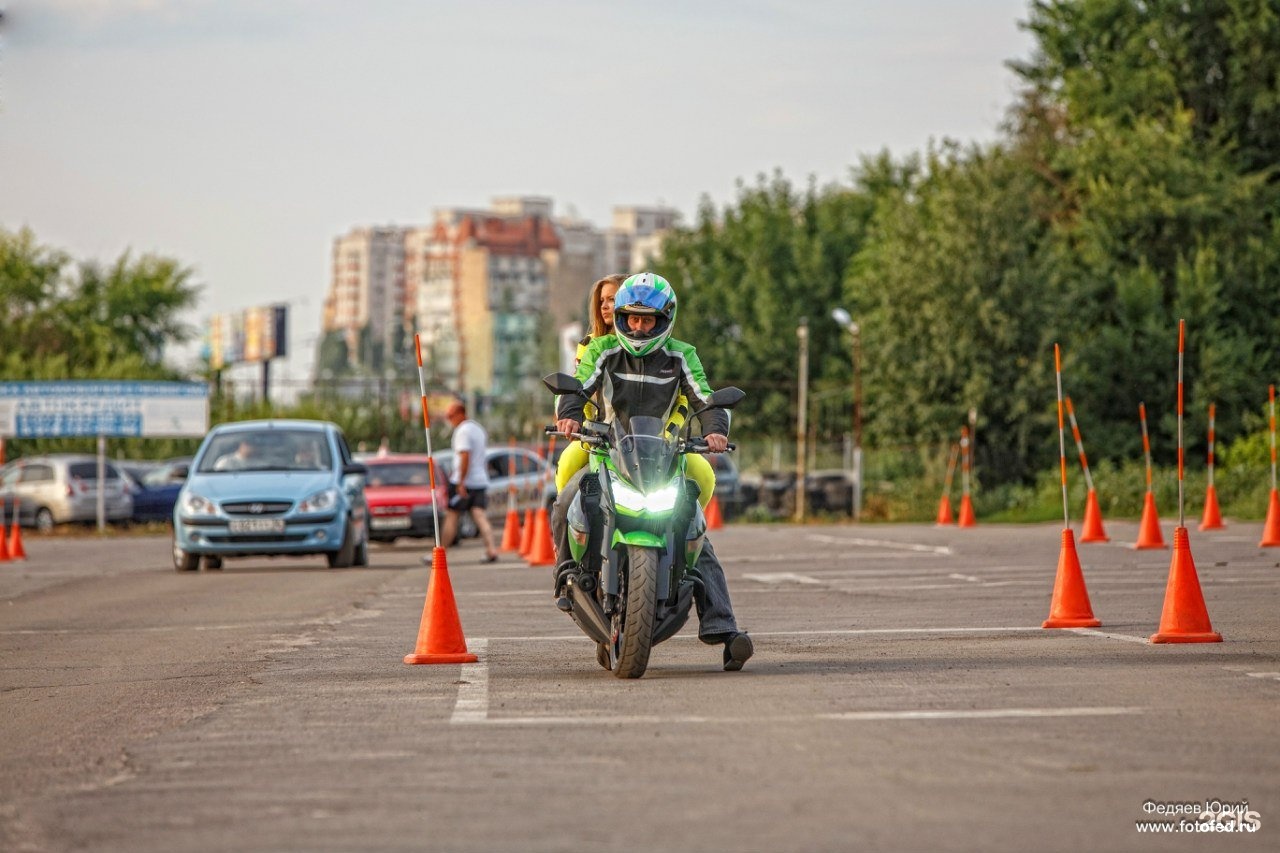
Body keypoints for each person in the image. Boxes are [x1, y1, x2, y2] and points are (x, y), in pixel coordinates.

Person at [554, 272, 752, 671]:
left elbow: (704, 395)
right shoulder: (601, 349)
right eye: (632, 318)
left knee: (691, 517)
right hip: (607, 450)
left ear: (665, 319)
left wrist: (714, 430)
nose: (639, 327)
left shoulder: (682, 354)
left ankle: (719, 620)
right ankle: (565, 569)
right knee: (567, 497)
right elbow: (578, 385)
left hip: (666, 452)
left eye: (648, 320)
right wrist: (571, 417)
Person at [439, 400, 499, 563]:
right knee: (480, 515)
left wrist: (461, 482)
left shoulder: (462, 431)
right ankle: (491, 550)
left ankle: (441, 554)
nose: (449, 420)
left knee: (452, 515)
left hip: (464, 481)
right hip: (480, 479)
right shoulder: (477, 428)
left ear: (460, 414)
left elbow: (465, 456)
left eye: (450, 416)